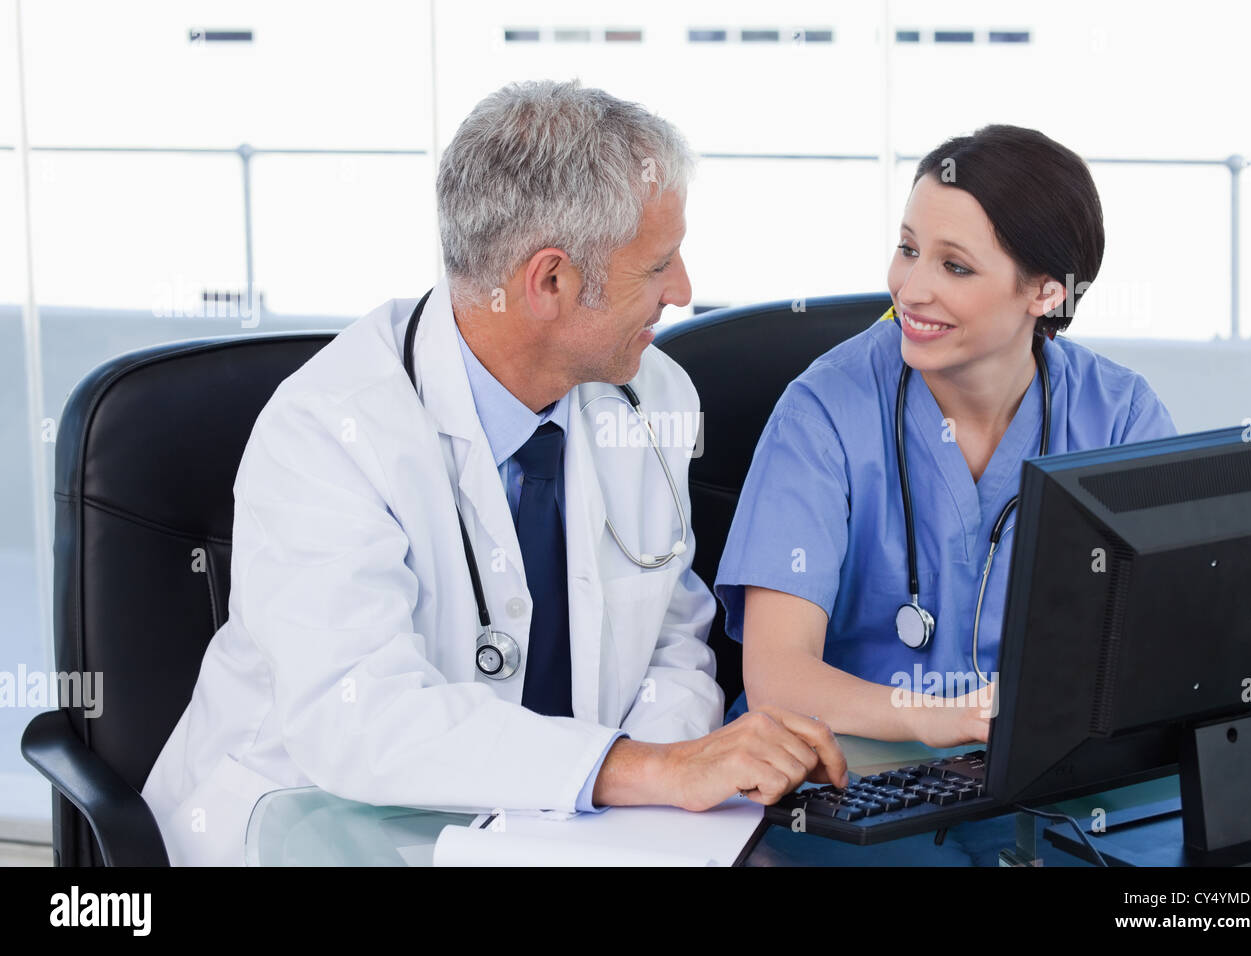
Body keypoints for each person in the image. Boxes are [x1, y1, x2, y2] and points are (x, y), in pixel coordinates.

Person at [142, 80, 845, 866]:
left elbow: (670, 645)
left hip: (567, 833)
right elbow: (359, 720)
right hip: (318, 820)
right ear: (550, 282)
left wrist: (660, 793)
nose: (681, 292)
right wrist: (642, 770)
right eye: (658, 266)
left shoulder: (653, 398)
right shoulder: (328, 429)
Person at [714, 125, 1178, 747]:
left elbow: (1168, 640)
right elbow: (777, 676)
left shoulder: (1120, 416)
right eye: (908, 249)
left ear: (1046, 291)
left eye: (954, 266)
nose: (911, 290)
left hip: (1041, 773)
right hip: (849, 775)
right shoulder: (823, 412)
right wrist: (939, 718)